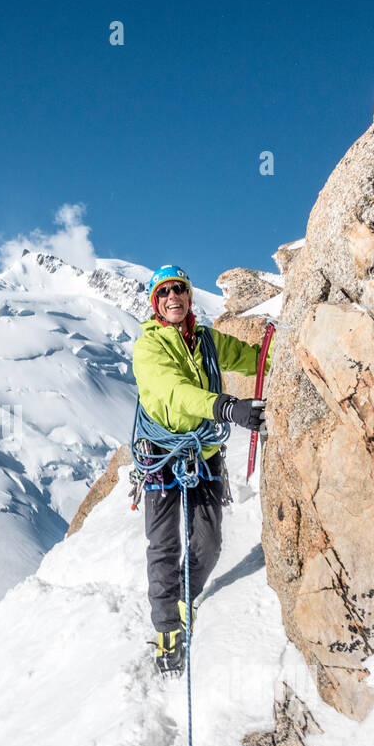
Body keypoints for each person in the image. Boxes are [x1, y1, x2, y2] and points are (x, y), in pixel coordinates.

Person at [132, 265, 268, 674]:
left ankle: (183, 594)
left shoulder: (206, 340)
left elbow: (248, 359)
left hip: (202, 451)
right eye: (164, 292)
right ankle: (168, 628)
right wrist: (226, 407)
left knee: (208, 542)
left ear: (190, 298)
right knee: (164, 546)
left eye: (180, 290)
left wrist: (284, 350)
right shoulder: (148, 348)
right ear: (155, 303)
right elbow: (172, 392)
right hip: (161, 453)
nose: (173, 297)